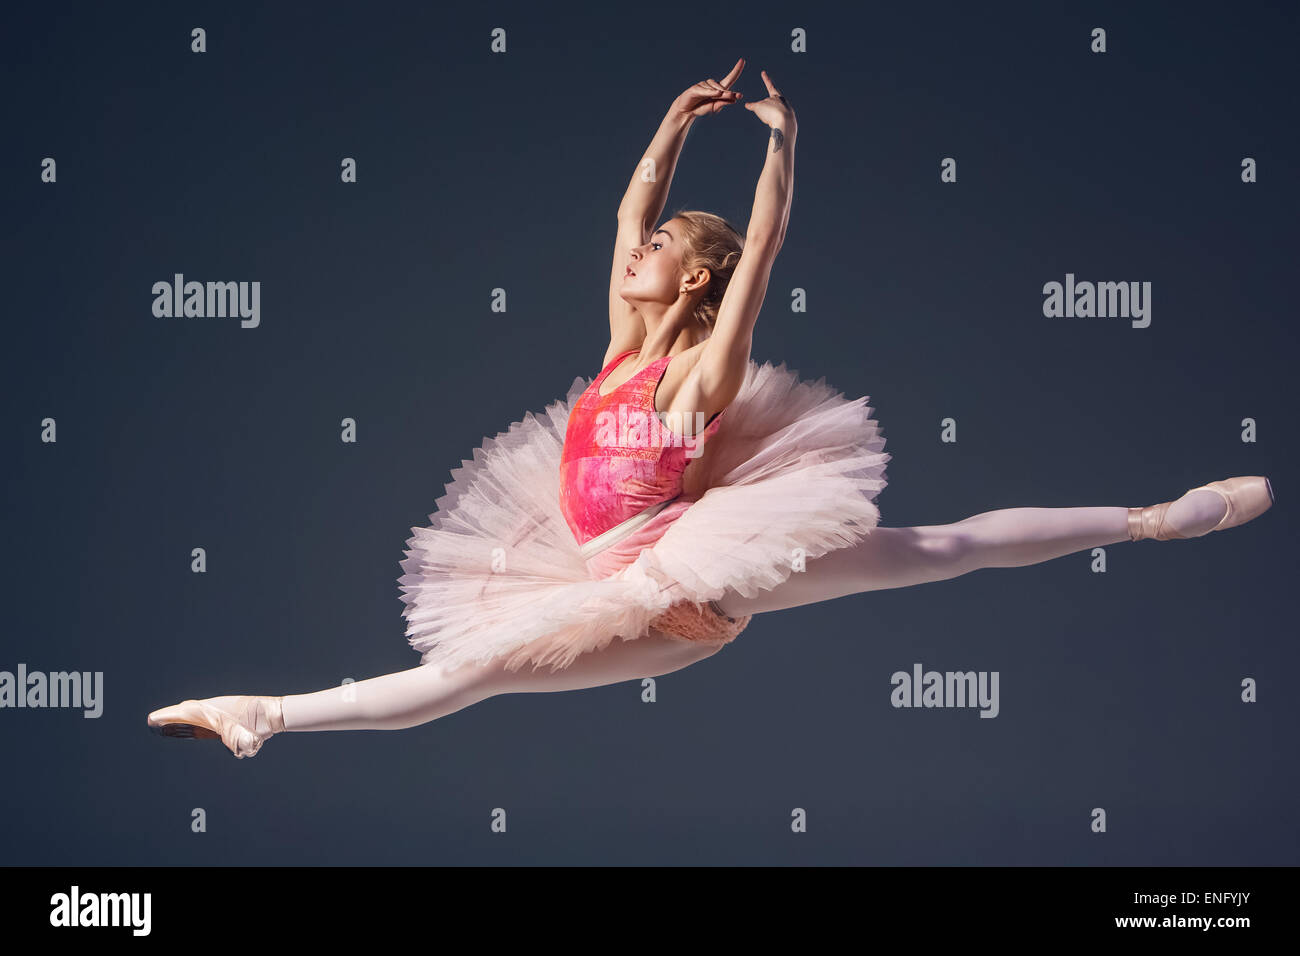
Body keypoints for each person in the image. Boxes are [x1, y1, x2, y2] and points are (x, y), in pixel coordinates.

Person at [147, 59, 1273, 758]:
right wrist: (673, 123)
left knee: (942, 544)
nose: (634, 252)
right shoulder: (620, 346)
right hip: (605, 581)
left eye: (658, 252)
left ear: (690, 279)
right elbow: (632, 205)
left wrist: (781, 151)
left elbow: (760, 252)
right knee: (475, 676)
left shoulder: (697, 376)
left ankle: (1152, 518)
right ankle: (266, 714)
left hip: (693, 582)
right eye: (639, 247)